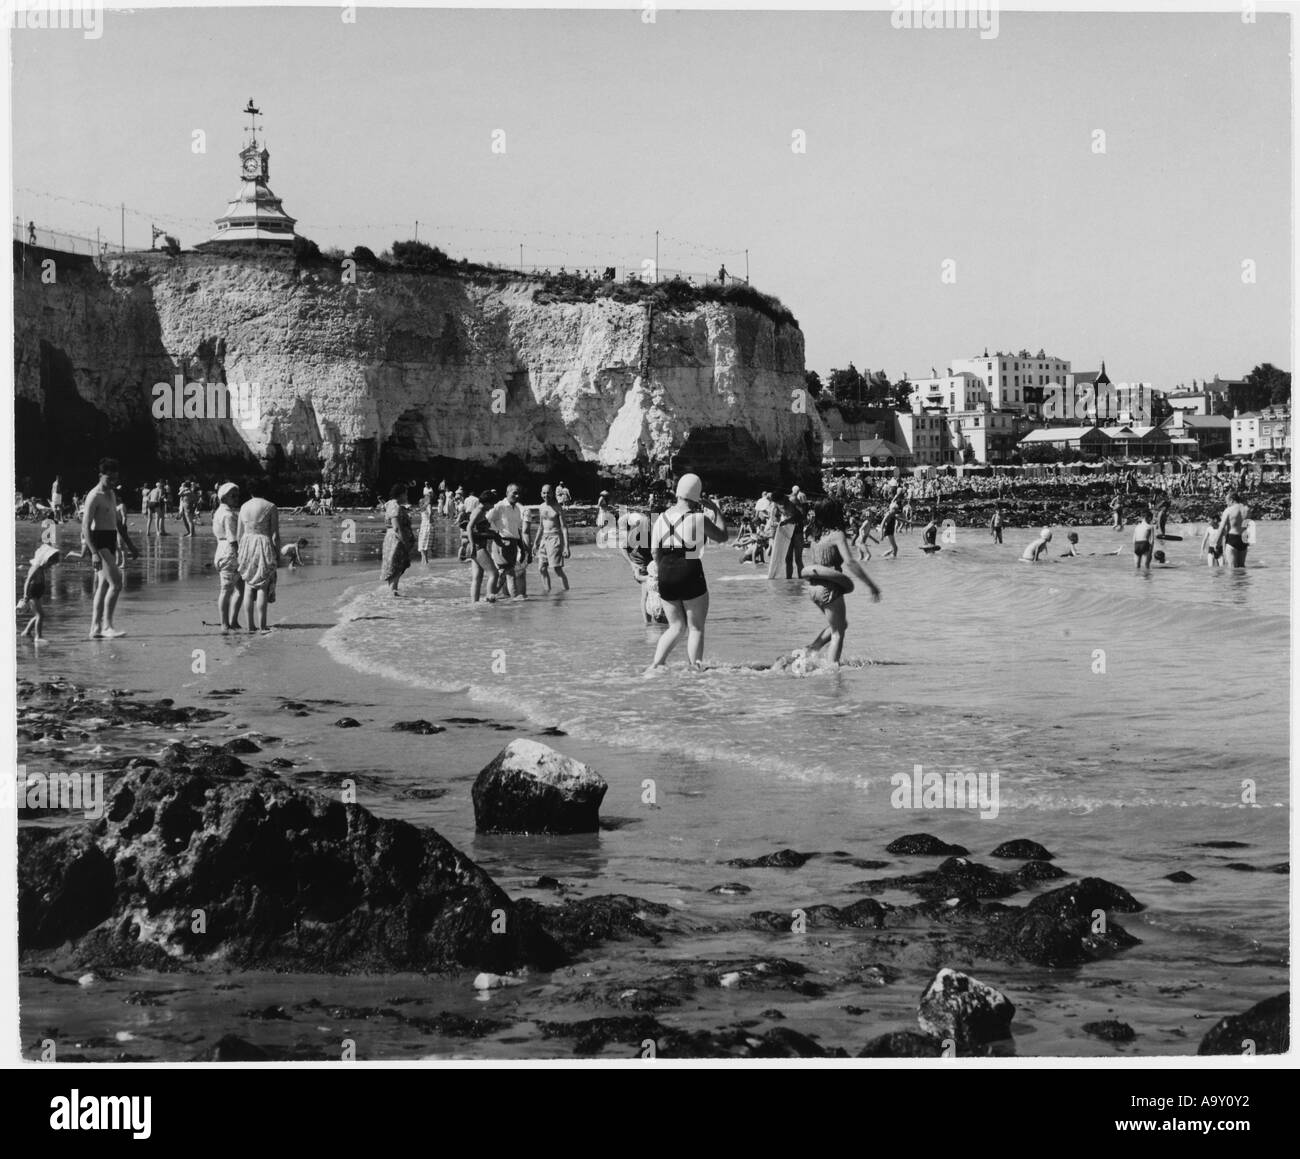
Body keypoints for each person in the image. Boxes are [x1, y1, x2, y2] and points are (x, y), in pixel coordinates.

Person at [648, 473, 727, 670]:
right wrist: (716, 510)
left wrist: (664, 572)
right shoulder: (698, 518)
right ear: (697, 495)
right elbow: (723, 537)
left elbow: (654, 551)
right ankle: (695, 669)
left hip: (665, 571)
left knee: (675, 626)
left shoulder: (659, 518)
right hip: (689, 567)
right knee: (696, 627)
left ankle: (656, 666)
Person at [797, 498, 881, 664]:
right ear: (836, 514)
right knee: (838, 632)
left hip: (813, 588)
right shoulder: (837, 535)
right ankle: (831, 671)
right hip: (829, 588)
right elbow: (850, 562)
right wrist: (871, 585)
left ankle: (812, 649)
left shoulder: (814, 535)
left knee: (841, 624)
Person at [82, 458, 128, 638]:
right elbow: (85, 526)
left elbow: (116, 522)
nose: (113, 483)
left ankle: (95, 628)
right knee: (116, 584)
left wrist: (130, 545)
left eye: (115, 479)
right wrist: (93, 552)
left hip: (110, 539)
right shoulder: (94, 496)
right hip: (99, 542)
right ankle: (108, 626)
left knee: (103, 585)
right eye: (110, 479)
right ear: (100, 476)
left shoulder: (111, 493)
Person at [236, 479, 280, 631]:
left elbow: (238, 534)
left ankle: (250, 626)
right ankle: (262, 625)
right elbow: (274, 535)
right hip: (263, 544)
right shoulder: (270, 506)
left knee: (248, 586)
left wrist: (240, 552)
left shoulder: (243, 506)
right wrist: (277, 553)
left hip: (246, 543)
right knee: (263, 586)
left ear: (250, 491)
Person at [621, 509, 665, 623]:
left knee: (658, 590)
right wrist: (632, 564)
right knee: (646, 592)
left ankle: (660, 617)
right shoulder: (640, 530)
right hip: (641, 562)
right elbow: (623, 548)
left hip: (653, 560)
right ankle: (647, 623)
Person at [212, 482, 244, 631]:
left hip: (221, 549)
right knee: (227, 590)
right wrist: (241, 556)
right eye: (233, 495)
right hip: (229, 552)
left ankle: (232, 621)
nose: (236, 498)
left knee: (240, 588)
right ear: (224, 497)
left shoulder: (219, 512)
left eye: (237, 495)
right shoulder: (228, 515)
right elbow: (233, 539)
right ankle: (225, 623)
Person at [487, 484, 528, 599]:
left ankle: (490, 597)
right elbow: (486, 520)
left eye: (518, 493)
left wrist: (523, 549)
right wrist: (497, 535)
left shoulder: (517, 509)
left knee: (503, 575)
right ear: (507, 493)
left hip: (513, 544)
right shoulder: (500, 506)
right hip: (502, 544)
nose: (517, 495)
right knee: (510, 574)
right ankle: (516, 600)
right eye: (514, 492)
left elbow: (517, 531)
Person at [18, 544, 61, 644]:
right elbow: (27, 581)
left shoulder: (41, 569)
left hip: (37, 594)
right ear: (44, 559)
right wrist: (25, 595)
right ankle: (38, 637)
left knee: (38, 615)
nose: (51, 566)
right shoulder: (36, 568)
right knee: (40, 615)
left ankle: (26, 632)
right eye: (50, 563)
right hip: (32, 595)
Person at [462, 495, 500, 603]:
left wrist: (490, 533)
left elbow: (477, 529)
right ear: (486, 502)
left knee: (477, 577)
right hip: (477, 546)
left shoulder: (480, 511)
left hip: (475, 546)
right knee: (494, 574)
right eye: (492, 504)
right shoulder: (478, 511)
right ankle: (490, 600)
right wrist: (473, 544)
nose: (492, 506)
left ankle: (475, 604)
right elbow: (469, 527)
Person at [533, 484, 570, 593]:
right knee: (542, 568)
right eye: (544, 493)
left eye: (548, 492)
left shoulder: (558, 507)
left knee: (557, 569)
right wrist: (535, 543)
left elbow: (564, 527)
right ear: (541, 494)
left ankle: (566, 592)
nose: (546, 495)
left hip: (555, 539)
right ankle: (547, 592)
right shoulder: (541, 507)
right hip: (544, 539)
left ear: (553, 493)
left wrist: (566, 547)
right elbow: (540, 526)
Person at [381, 483, 416, 596]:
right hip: (396, 541)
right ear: (400, 495)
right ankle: (393, 593)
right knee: (395, 567)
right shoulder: (395, 506)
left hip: (393, 539)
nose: (406, 497)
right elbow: (396, 527)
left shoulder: (390, 504)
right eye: (405, 494)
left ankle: (393, 591)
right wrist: (405, 542)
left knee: (394, 567)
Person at [1218, 491, 1250, 567]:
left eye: (1227, 501)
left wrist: (1217, 543)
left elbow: (1221, 528)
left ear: (1231, 500)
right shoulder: (1246, 509)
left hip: (1232, 538)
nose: (1226, 504)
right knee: (1241, 567)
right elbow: (1246, 525)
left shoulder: (1228, 510)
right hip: (1244, 539)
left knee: (1232, 568)